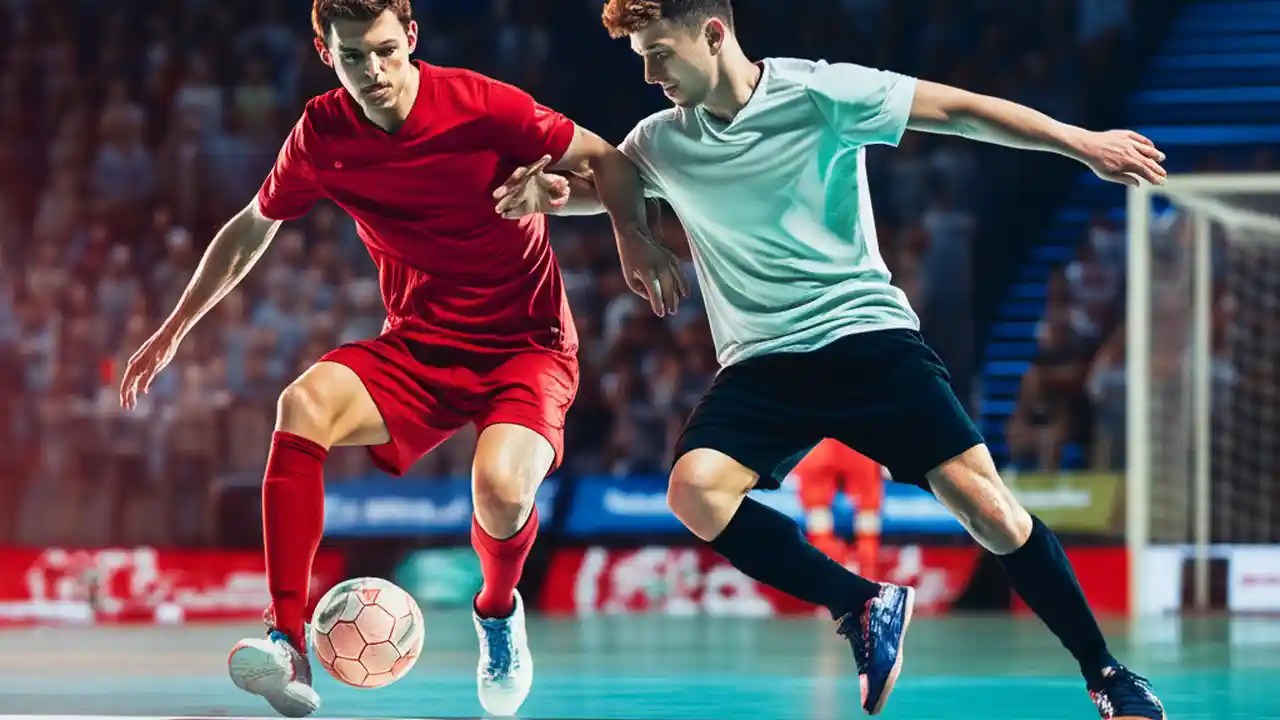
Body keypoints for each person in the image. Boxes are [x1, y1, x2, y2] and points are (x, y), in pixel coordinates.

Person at [493, 1, 1168, 717]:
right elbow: (604, 190)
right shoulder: (660, 141)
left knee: (990, 511)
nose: (651, 73)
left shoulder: (820, 93)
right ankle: (863, 604)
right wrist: (546, 198)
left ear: (713, 34)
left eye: (660, 52)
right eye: (642, 58)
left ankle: (1108, 674)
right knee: (695, 492)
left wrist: (1082, 142)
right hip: (762, 360)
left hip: (865, 336)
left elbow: (961, 110)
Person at [117, 1, 683, 717]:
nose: (375, 70)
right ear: (326, 53)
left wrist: (629, 235)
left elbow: (610, 161)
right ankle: (288, 641)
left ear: (412, 38)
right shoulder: (323, 133)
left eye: (387, 50)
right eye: (355, 57)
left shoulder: (482, 106)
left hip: (524, 348)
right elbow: (252, 226)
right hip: (417, 345)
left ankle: (499, 613)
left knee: (502, 491)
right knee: (302, 405)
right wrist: (174, 328)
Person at [789, 439, 883, 578]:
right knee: (867, 513)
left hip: (821, 441)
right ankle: (866, 574)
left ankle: (833, 575)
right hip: (857, 439)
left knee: (818, 513)